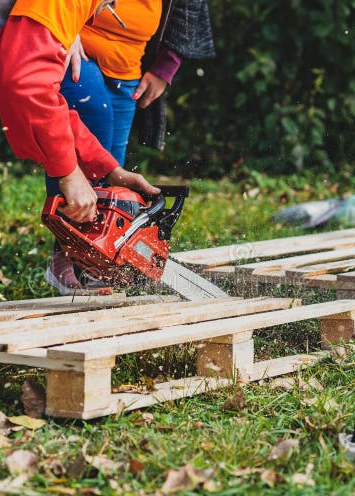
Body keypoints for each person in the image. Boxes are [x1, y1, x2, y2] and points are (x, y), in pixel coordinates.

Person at [44, 0, 216, 294]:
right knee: (90, 128)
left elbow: (188, 6)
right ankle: (65, 254)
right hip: (77, 47)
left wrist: (167, 65)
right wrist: (61, 30)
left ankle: (95, 255)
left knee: (110, 165)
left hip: (128, 62)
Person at [0, 3, 161, 230]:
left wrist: (105, 168)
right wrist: (68, 173)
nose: (115, 5)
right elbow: (27, 86)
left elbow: (43, 99)